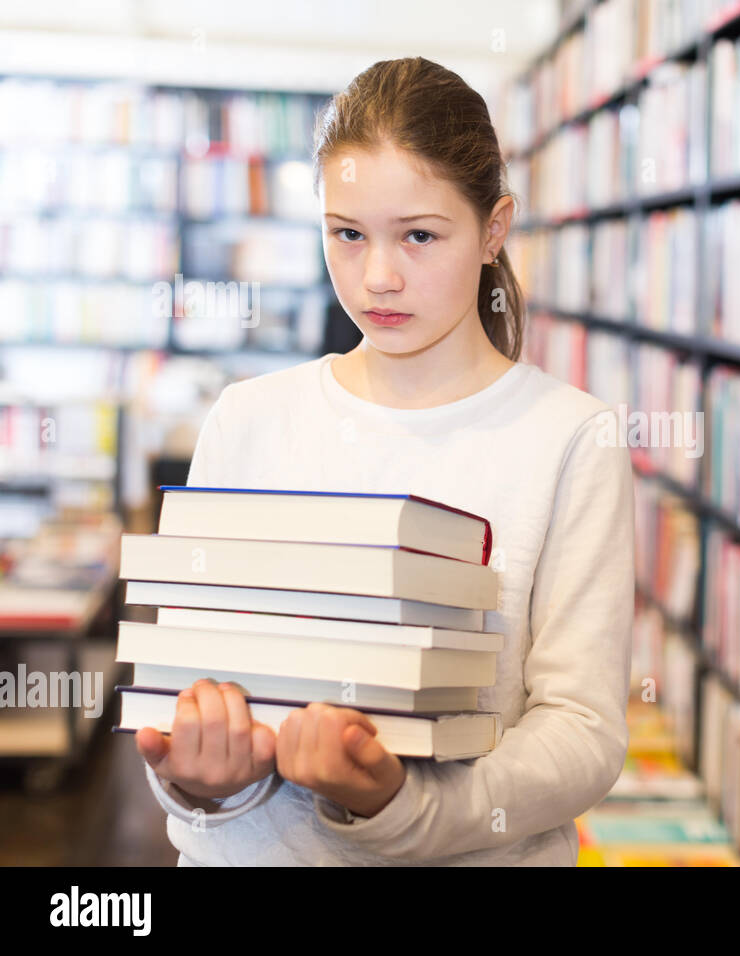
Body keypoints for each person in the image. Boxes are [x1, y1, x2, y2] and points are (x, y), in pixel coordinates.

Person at [134, 56, 635, 865]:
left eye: (420, 236)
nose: (377, 277)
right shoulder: (247, 419)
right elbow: (190, 690)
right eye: (348, 233)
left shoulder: (571, 437)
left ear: (494, 229)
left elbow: (582, 734)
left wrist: (402, 805)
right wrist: (200, 775)